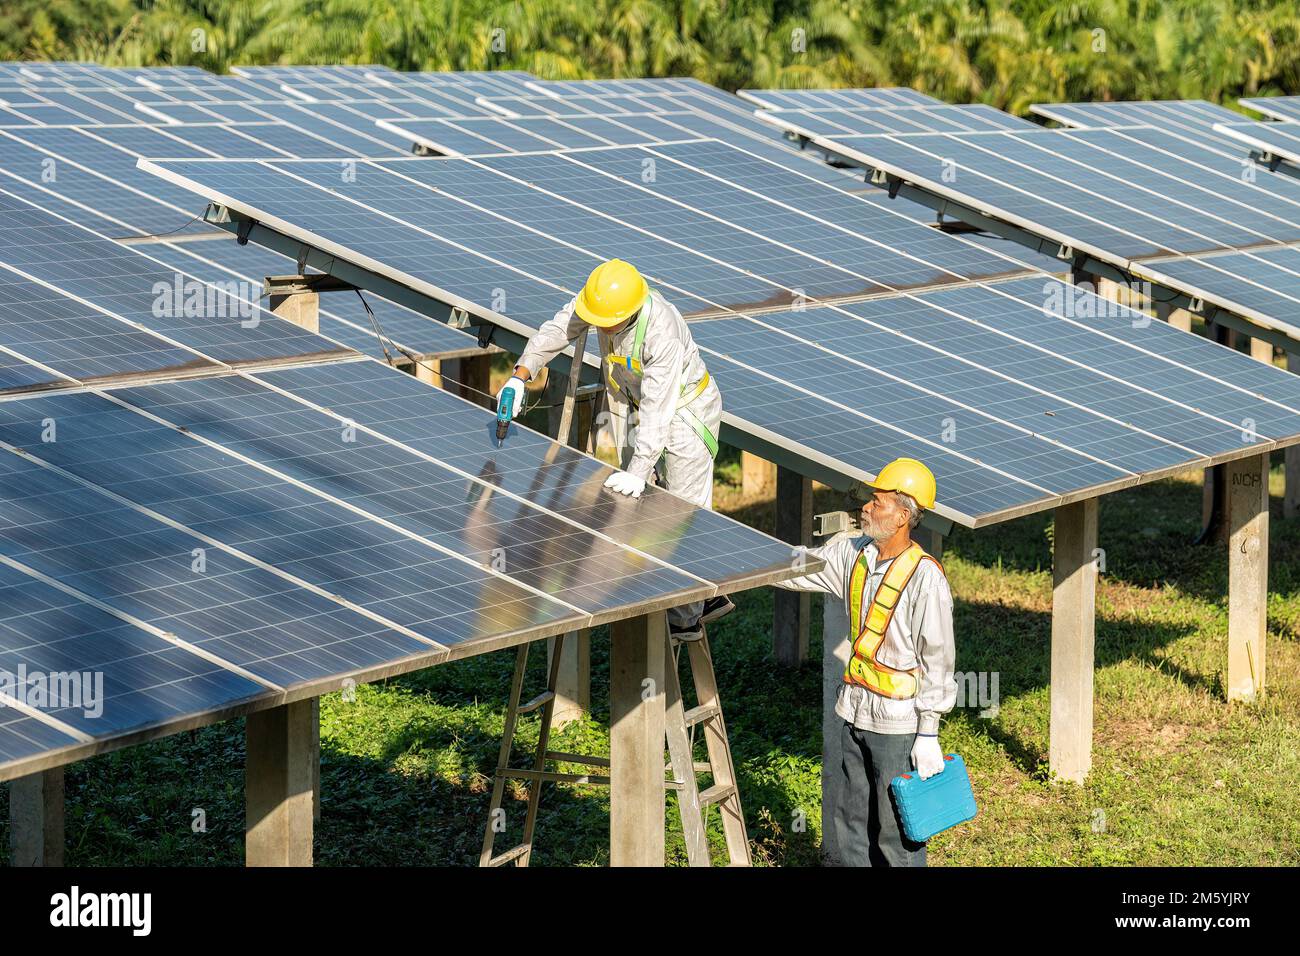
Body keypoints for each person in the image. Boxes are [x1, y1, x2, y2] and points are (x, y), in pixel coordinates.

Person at [496, 258, 731, 637]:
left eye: (608, 322)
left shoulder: (662, 332)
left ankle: (685, 616)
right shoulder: (600, 302)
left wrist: (641, 469)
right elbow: (558, 329)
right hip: (631, 405)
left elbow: (660, 408)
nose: (601, 326)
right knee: (636, 504)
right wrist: (521, 376)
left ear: (631, 310)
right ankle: (646, 582)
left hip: (686, 411)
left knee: (682, 510)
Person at [775, 458, 956, 866]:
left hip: (897, 724)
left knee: (896, 831)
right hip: (854, 713)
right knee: (851, 821)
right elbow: (794, 568)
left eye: (878, 502)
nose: (866, 509)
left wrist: (929, 731)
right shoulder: (851, 554)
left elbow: (939, 659)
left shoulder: (926, 579)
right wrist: (737, 558)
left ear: (903, 516)